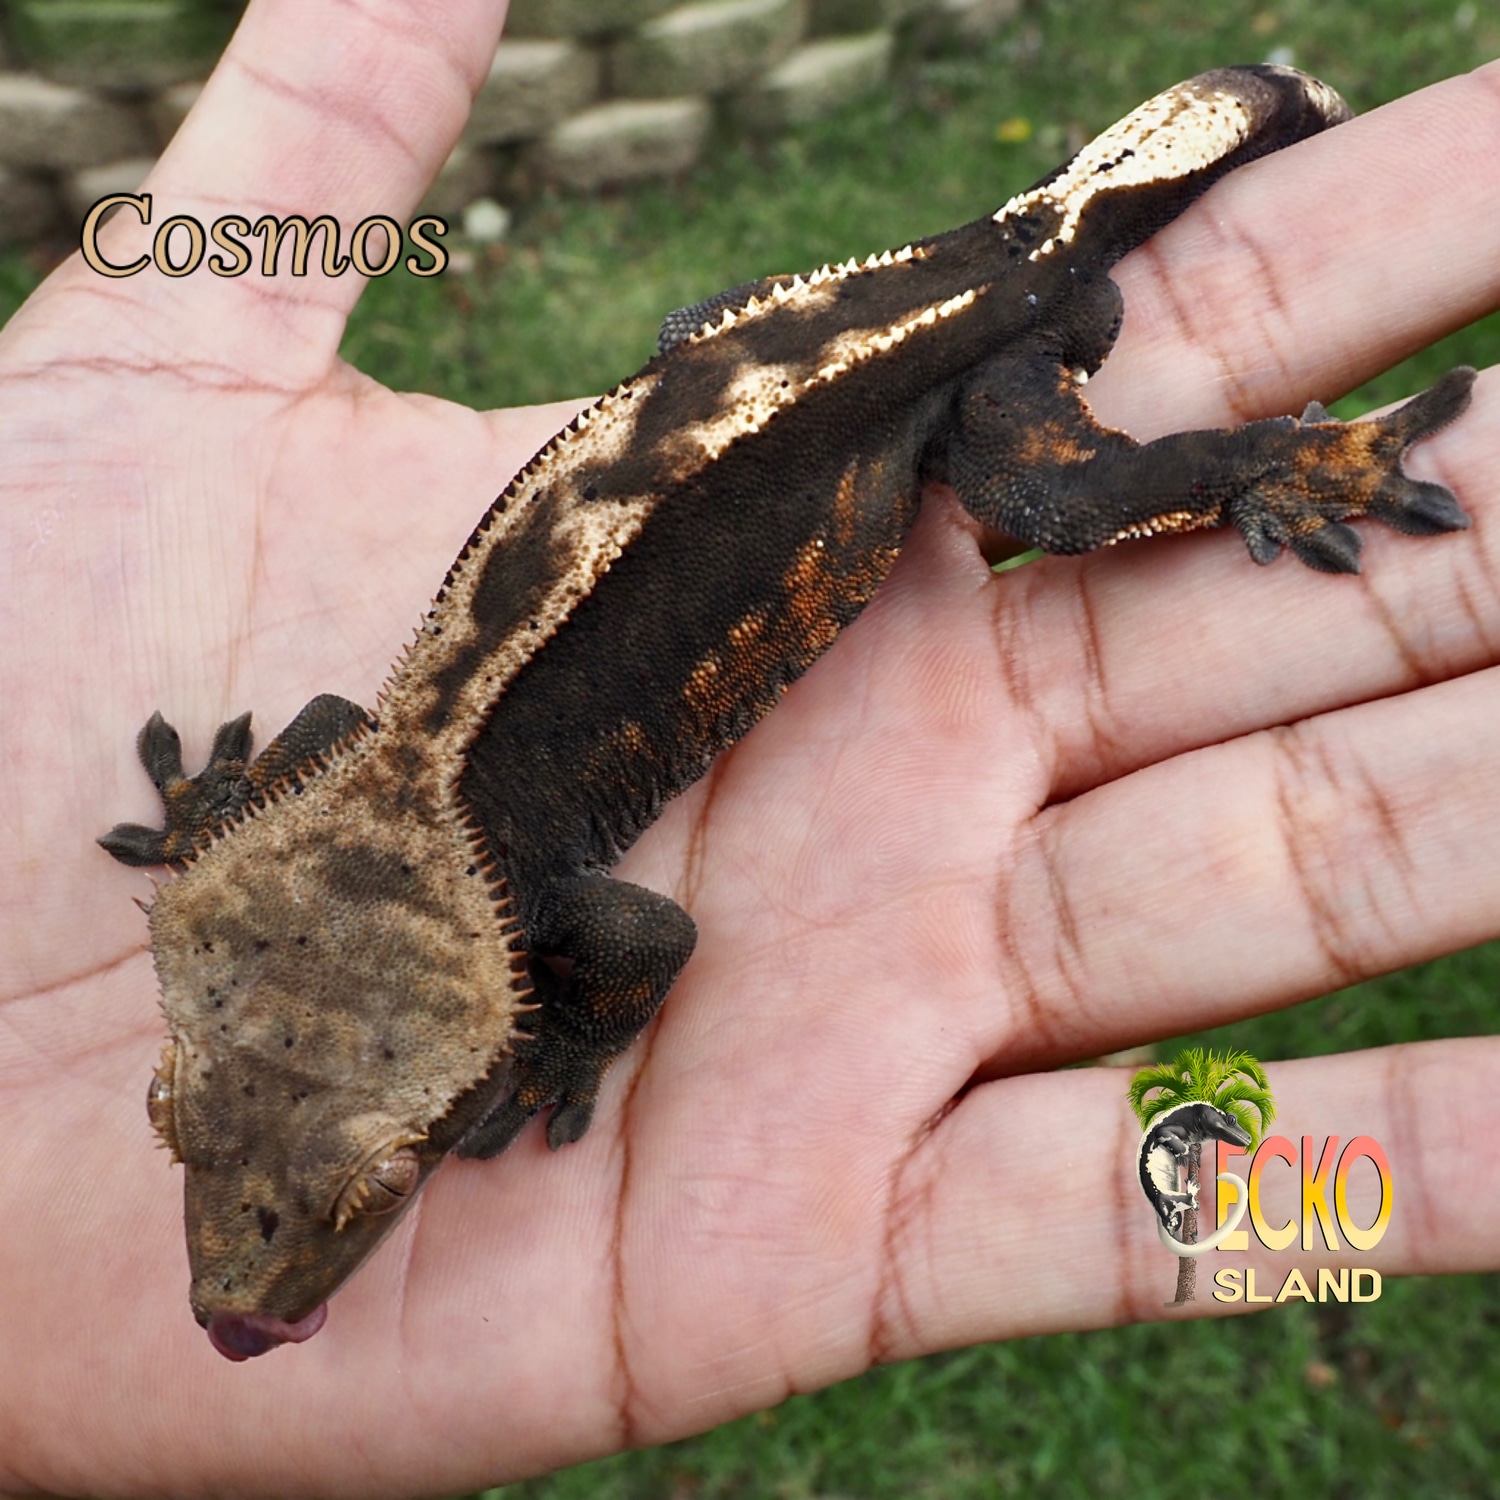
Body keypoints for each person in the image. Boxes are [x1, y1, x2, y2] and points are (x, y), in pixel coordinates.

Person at [0, 3, 1495, 1493]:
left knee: (1060, 503)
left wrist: (568, 1030)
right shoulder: (364, 774)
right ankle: (1267, 108)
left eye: (386, 1169)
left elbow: (641, 939)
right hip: (761, 351)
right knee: (713, 340)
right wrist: (230, 817)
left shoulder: (517, 901)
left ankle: (1294, 452)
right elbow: (339, 744)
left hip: (930, 375)